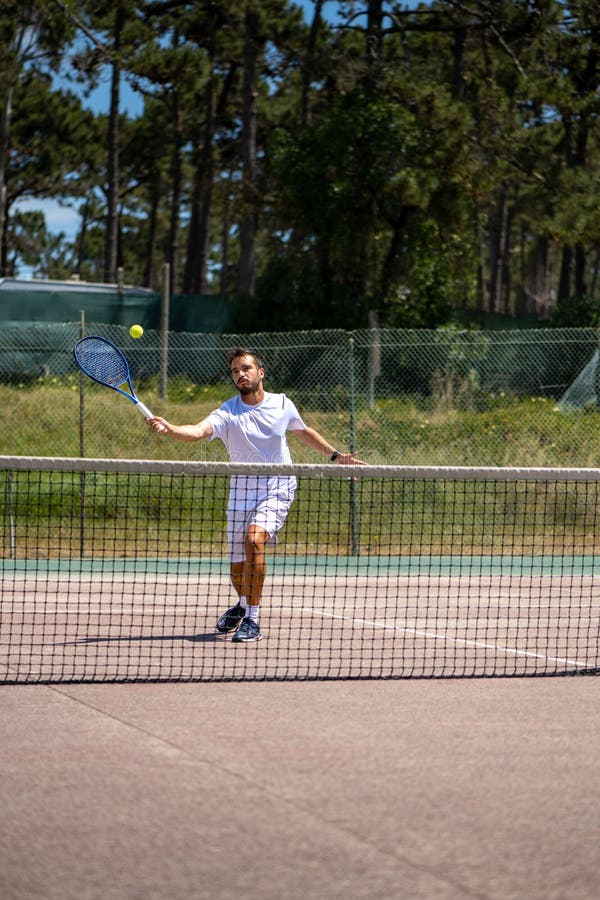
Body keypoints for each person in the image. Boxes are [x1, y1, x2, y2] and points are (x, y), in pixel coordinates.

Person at [147, 347, 364, 642]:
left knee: (253, 540)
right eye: (235, 371)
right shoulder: (227, 412)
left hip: (277, 488)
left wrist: (336, 456)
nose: (240, 374)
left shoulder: (282, 404)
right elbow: (197, 431)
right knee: (237, 571)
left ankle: (253, 619)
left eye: (246, 368)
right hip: (241, 494)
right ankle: (242, 604)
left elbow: (303, 431)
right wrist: (170, 428)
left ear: (260, 373)